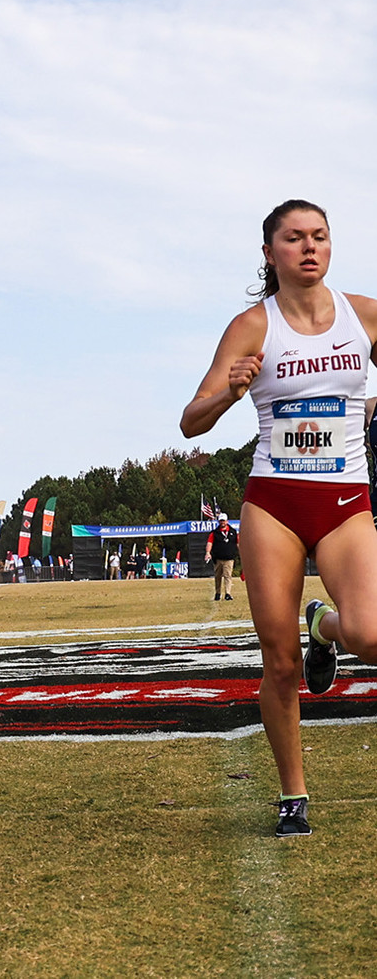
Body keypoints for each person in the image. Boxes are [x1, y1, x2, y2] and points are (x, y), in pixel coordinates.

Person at [181, 198, 374, 838]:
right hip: (274, 505)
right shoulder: (252, 326)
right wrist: (227, 392)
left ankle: (326, 627)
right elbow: (190, 421)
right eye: (294, 239)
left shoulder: (363, 315)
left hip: (346, 503)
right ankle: (293, 792)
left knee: (370, 636)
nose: (309, 248)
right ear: (271, 253)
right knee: (281, 663)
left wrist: (366, 406)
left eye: (319, 236)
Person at [208, 515, 240, 601]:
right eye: (221, 521)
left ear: (227, 521)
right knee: (218, 576)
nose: (222, 522)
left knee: (228, 576)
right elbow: (209, 543)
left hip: (229, 558)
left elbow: (238, 543)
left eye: (224, 521)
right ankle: (218, 593)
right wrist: (208, 552)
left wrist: (241, 552)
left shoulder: (233, 532)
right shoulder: (214, 533)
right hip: (218, 558)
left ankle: (228, 593)